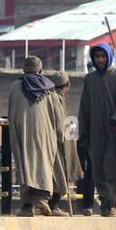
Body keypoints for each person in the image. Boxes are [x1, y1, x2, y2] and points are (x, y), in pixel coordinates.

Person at [78, 42, 116, 216]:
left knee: (113, 167)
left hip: (114, 131)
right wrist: (83, 132)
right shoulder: (90, 80)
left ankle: (112, 202)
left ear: (109, 57)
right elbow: (84, 107)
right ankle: (104, 201)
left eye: (103, 56)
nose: (100, 60)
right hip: (96, 132)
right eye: (97, 56)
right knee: (97, 168)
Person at [7, 55, 68, 216]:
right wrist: (60, 136)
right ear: (40, 70)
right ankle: (42, 198)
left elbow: (11, 112)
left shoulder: (15, 87)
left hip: (22, 134)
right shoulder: (49, 88)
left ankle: (27, 207)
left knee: (25, 168)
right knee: (44, 165)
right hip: (45, 135)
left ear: (24, 70)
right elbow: (58, 117)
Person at [46, 70, 80, 215]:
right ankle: (53, 206)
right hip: (58, 144)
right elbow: (60, 125)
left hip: (52, 142)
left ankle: (52, 205)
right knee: (60, 175)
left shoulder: (49, 96)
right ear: (67, 84)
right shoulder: (57, 98)